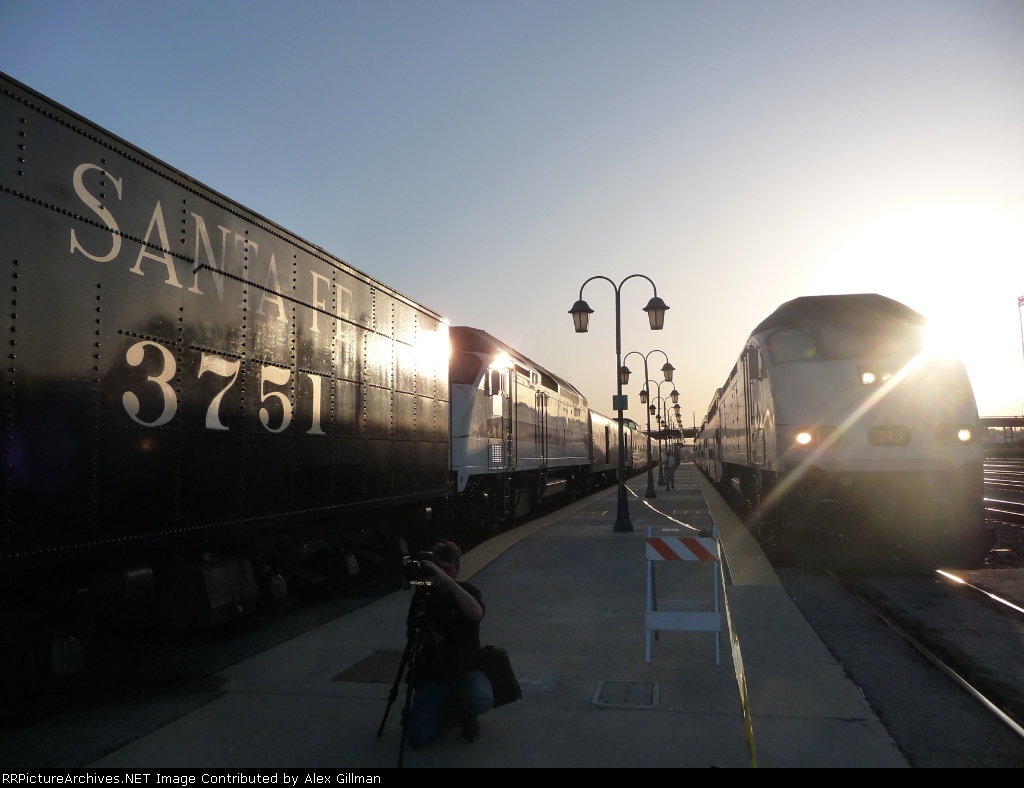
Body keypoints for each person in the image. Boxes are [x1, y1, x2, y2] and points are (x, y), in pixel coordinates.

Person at [406, 541, 493, 747]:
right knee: (418, 738)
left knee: (482, 698)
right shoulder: (424, 597)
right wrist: (425, 638)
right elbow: (411, 631)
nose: (442, 575)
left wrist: (450, 583)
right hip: (435, 676)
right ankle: (450, 711)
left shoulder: (467, 591)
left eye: (448, 569)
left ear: (457, 570)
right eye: (439, 569)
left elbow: (476, 614)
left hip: (465, 672)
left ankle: (466, 713)